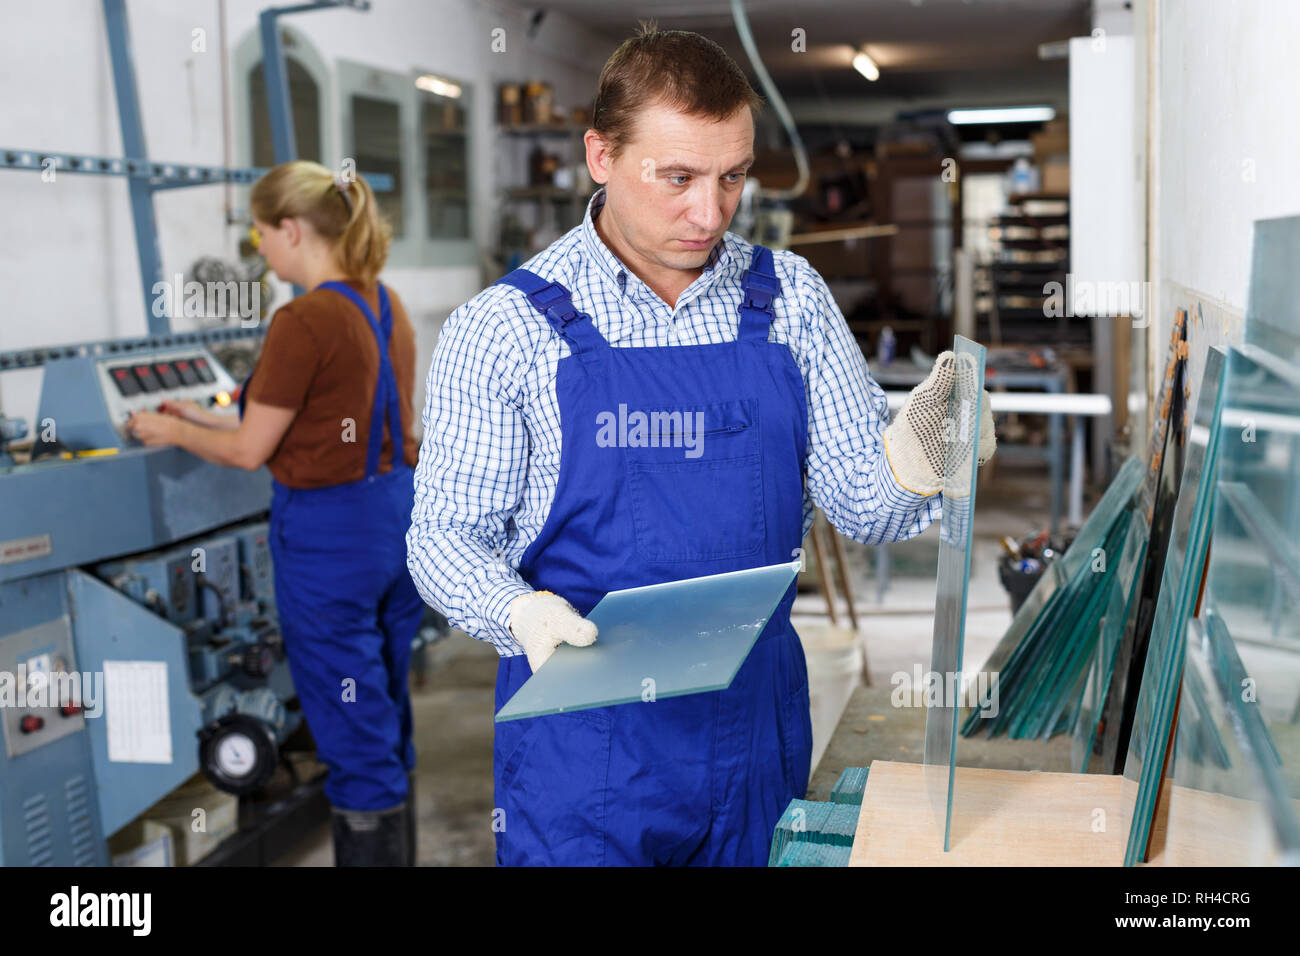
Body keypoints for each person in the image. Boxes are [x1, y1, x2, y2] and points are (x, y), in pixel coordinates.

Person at [407, 26, 996, 866]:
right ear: (600, 156)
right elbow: (442, 538)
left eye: (732, 178)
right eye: (678, 177)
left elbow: (865, 507)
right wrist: (515, 611)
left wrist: (918, 454)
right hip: (588, 755)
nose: (709, 212)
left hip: (756, 737)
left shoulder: (788, 299)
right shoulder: (505, 330)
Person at [127, 161, 424, 867]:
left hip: (329, 543)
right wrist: (206, 412)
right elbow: (321, 412)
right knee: (383, 704)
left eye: (260, 235)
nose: (262, 249)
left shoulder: (302, 318)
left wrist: (170, 432)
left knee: (351, 735)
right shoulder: (383, 304)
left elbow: (249, 449)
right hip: (395, 518)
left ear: (291, 229)